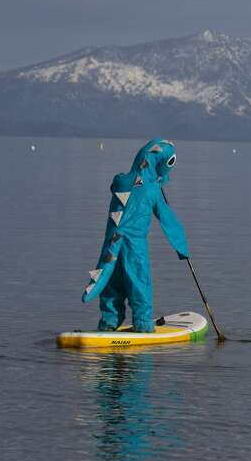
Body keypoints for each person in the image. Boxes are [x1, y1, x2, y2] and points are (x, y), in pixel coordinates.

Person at [81, 138, 190, 332]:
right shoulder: (153, 189)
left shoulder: (120, 180)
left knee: (112, 282)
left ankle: (108, 323)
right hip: (134, 245)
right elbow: (168, 221)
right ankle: (143, 324)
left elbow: (120, 185)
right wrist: (182, 248)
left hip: (111, 243)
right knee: (139, 282)